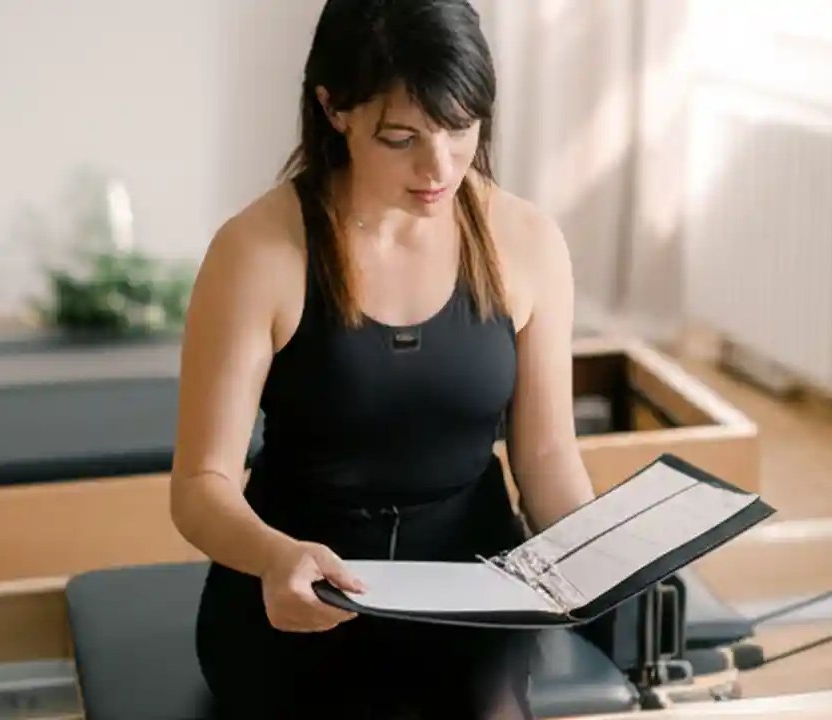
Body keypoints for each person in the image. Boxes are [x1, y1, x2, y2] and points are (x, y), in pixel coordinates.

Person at [168, 0, 597, 717]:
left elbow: (548, 457)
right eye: (401, 137)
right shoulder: (258, 251)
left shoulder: (526, 240)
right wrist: (275, 556)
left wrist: (596, 555)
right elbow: (200, 485)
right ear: (334, 108)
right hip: (300, 590)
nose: (439, 167)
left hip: (473, 586)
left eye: (461, 128)